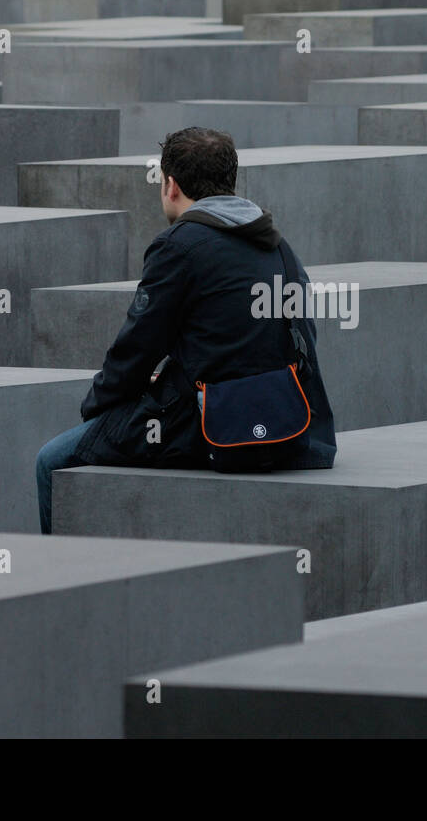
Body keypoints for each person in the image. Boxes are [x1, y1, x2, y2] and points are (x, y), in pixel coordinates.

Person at [36, 127, 337, 534]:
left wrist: (98, 409)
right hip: (289, 428)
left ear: (171, 185)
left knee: (53, 459)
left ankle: (57, 583)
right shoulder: (280, 247)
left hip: (209, 427)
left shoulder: (179, 245)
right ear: (230, 182)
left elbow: (137, 347)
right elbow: (301, 339)